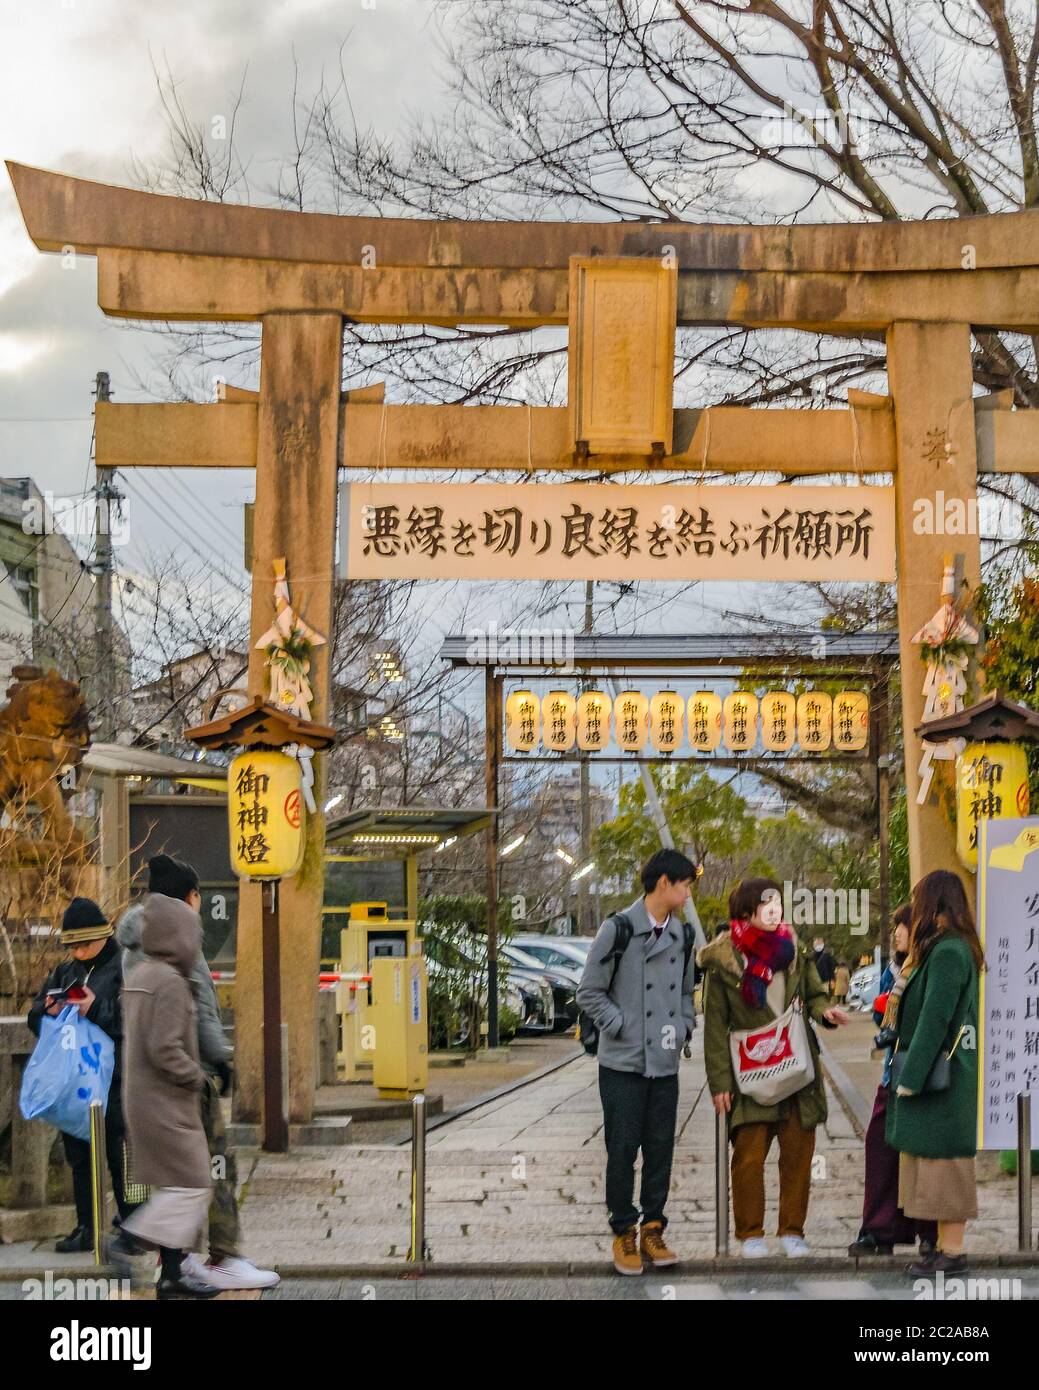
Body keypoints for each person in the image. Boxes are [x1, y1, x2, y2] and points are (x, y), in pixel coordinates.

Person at [117, 853, 278, 1291]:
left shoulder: (136, 945)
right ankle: (219, 1256)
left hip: (148, 1084)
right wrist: (217, 1062)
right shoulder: (179, 952)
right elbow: (201, 1010)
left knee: (176, 1177)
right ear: (188, 898)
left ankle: (177, 1265)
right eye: (197, 896)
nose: (201, 907)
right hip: (186, 1077)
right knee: (214, 1165)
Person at [699, 877, 849, 1258]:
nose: (774, 910)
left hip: (797, 1066)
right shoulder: (723, 959)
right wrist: (719, 1082)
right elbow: (715, 1026)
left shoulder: (793, 950)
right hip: (751, 1070)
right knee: (748, 1155)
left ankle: (792, 1231)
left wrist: (826, 1012)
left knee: (799, 1153)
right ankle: (750, 1234)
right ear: (746, 911)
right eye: (766, 903)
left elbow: (814, 995)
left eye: (777, 903)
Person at [575, 848, 698, 1276]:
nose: (688, 893)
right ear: (663, 882)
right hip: (622, 1062)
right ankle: (623, 1230)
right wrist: (620, 1024)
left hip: (664, 1062)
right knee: (622, 1149)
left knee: (661, 1149)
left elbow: (685, 991)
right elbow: (588, 991)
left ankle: (654, 1228)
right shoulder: (619, 928)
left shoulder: (683, 936)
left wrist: (685, 1024)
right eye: (684, 884)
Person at [111, 891, 218, 1298]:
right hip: (168, 1102)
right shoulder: (171, 982)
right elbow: (165, 1048)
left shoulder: (139, 974)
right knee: (193, 1183)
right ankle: (130, 1237)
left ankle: (171, 1275)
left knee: (174, 1186)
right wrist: (198, 1077)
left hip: (140, 1099)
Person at [886, 870, 982, 1277]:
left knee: (946, 1164)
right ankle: (944, 1247)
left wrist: (911, 1076)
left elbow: (935, 1019)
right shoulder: (954, 948)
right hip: (946, 1073)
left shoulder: (948, 952)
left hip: (942, 1075)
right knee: (936, 1162)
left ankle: (953, 1253)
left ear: (935, 903)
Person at [27, 898, 136, 1252]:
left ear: (104, 935)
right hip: (75, 1082)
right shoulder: (65, 972)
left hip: (117, 1078)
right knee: (79, 1156)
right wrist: (47, 1010)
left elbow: (135, 1021)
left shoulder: (126, 968)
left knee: (123, 1158)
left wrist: (95, 1008)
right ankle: (87, 1227)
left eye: (84, 943)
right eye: (72, 945)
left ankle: (136, 1228)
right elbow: (34, 1018)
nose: (78, 951)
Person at [848, 903, 937, 1258]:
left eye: (903, 926)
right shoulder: (892, 971)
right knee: (880, 1147)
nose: (897, 933)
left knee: (923, 1155)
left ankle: (931, 1231)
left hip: (925, 1074)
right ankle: (878, 1229)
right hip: (892, 1071)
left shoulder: (932, 965)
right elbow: (881, 1020)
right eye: (896, 927)